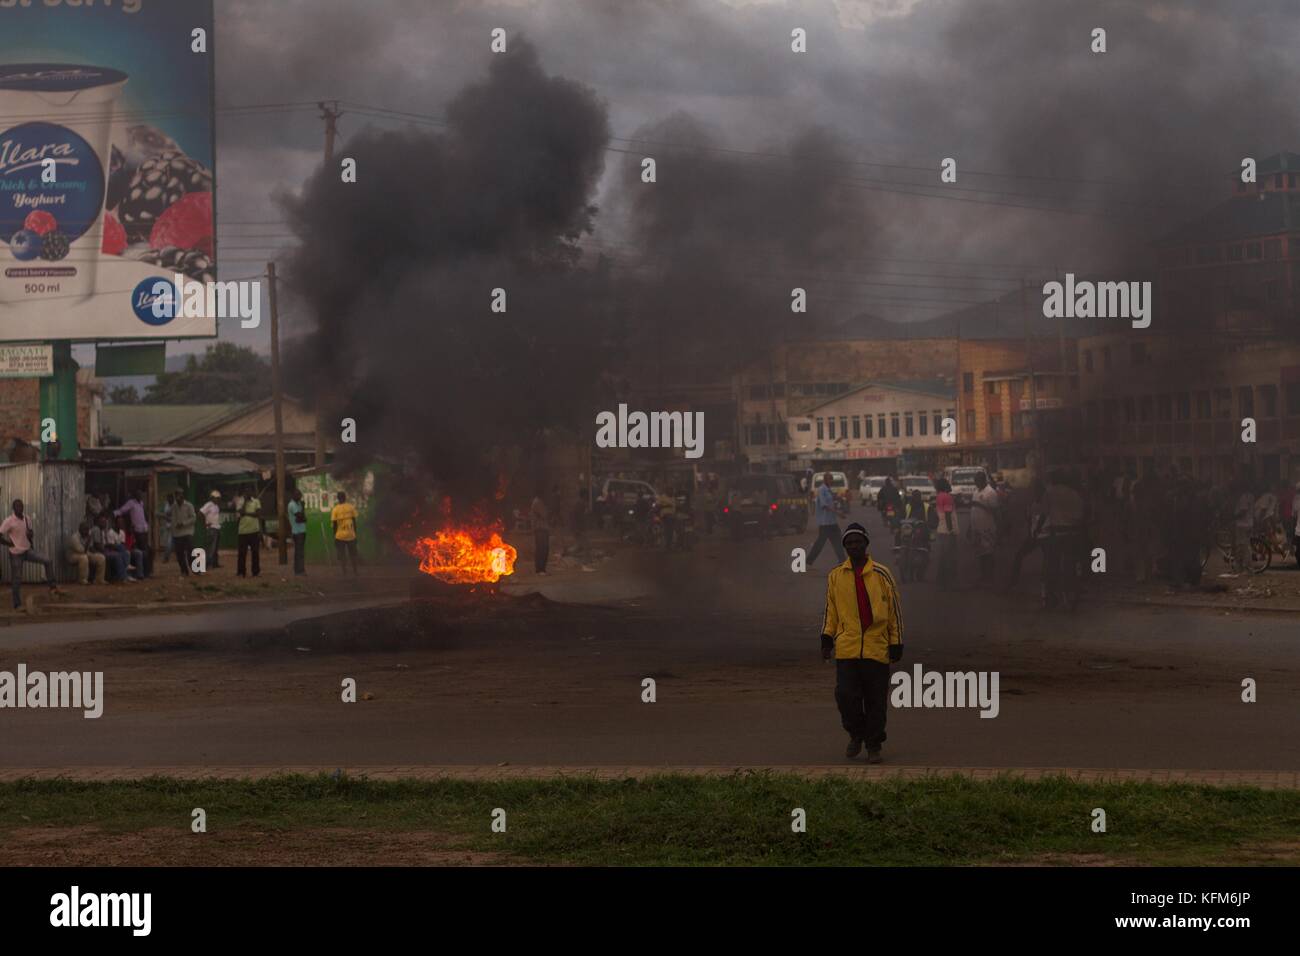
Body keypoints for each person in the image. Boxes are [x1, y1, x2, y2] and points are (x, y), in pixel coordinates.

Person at [818, 522, 904, 763]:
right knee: (845, 696)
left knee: (875, 700)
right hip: (847, 648)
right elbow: (830, 610)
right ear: (845, 546)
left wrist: (896, 642)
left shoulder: (882, 573)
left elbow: (894, 611)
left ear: (866, 544)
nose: (854, 546)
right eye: (849, 543)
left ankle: (874, 744)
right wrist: (826, 638)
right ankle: (856, 734)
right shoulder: (835, 575)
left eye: (858, 541)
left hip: (877, 648)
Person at [1039, 470, 1086, 610]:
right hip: (1073, 533)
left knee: (1052, 565)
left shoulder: (1049, 493)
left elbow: (1044, 514)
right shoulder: (1074, 493)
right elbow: (1081, 514)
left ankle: (1052, 598)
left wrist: (1037, 530)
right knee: (1071, 564)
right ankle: (1071, 595)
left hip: (1057, 533)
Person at [0, 499, 58, 609]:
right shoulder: (9, 521)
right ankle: (17, 604)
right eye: (17, 506)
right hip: (16, 553)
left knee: (47, 560)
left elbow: (30, 533)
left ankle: (53, 587)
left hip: (27, 550)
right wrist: (9, 543)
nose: (20, 508)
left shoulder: (27, 519)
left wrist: (31, 536)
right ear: (13, 508)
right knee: (17, 578)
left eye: (21, 506)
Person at [807, 472, 846, 567]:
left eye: (832, 479)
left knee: (837, 540)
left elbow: (834, 497)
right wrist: (838, 513)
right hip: (825, 522)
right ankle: (808, 561)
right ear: (825, 480)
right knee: (820, 543)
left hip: (832, 521)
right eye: (830, 479)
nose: (831, 481)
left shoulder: (828, 490)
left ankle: (842, 559)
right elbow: (824, 506)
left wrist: (840, 497)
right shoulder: (821, 490)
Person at [968, 471, 1000, 587]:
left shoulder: (991, 493)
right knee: (981, 553)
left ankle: (990, 577)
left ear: (983, 480)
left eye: (977, 481)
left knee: (988, 553)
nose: (976, 483)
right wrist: (970, 526)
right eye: (975, 481)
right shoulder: (976, 491)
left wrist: (981, 505)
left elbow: (996, 511)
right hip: (977, 529)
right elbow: (973, 509)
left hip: (987, 528)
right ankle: (983, 576)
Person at [113, 490, 151, 577]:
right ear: (135, 496)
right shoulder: (131, 503)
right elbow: (122, 510)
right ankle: (143, 573)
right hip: (137, 530)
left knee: (146, 550)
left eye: (141, 494)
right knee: (143, 551)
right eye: (138, 494)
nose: (140, 496)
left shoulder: (141, 503)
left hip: (144, 529)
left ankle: (146, 572)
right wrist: (114, 513)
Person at [933, 477, 959, 590]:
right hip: (947, 530)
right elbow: (948, 515)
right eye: (948, 483)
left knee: (943, 556)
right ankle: (948, 580)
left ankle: (940, 579)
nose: (950, 485)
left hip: (940, 529)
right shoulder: (947, 497)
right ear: (945, 485)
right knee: (949, 556)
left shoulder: (939, 496)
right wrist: (951, 530)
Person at [90, 515, 129, 583]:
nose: (104, 524)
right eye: (102, 522)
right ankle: (122, 577)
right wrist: (107, 550)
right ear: (98, 522)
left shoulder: (102, 530)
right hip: (97, 551)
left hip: (103, 550)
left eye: (105, 522)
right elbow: (97, 546)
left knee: (119, 553)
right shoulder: (96, 529)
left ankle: (122, 575)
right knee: (117, 555)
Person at [237, 486, 264, 578]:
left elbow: (258, 514)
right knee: (242, 553)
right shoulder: (240, 501)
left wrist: (247, 514)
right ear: (244, 493)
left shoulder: (256, 501)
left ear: (252, 493)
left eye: (249, 492)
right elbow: (241, 512)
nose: (248, 494)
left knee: (255, 552)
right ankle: (241, 571)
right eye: (246, 492)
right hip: (243, 531)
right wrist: (245, 502)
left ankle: (255, 571)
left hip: (254, 530)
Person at [168, 490, 197, 576]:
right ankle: (184, 571)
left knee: (190, 550)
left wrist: (183, 523)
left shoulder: (189, 505)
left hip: (187, 531)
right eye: (176, 496)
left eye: (179, 496)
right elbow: (170, 516)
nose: (178, 498)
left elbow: (193, 518)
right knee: (179, 553)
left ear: (182, 496)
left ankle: (195, 568)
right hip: (177, 533)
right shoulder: (174, 506)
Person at [330, 491, 359, 575]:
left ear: (338, 499)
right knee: (353, 554)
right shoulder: (351, 507)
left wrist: (335, 536)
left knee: (342, 555)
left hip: (340, 535)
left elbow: (334, 525)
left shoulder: (335, 509)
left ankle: (344, 571)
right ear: (345, 498)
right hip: (351, 534)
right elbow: (354, 522)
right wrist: (355, 534)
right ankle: (355, 571)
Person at [117, 516, 146, 581]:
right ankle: (128, 575)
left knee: (139, 553)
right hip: (124, 550)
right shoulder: (121, 532)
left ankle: (140, 574)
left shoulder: (131, 533)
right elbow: (121, 545)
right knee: (127, 553)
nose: (131, 529)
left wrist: (134, 547)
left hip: (130, 549)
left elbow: (133, 544)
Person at [200, 490, 223, 569]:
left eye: (218, 498)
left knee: (215, 548)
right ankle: (205, 564)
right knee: (210, 548)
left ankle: (214, 563)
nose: (218, 499)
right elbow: (201, 512)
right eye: (216, 498)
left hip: (216, 528)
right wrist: (205, 524)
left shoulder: (216, 506)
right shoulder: (209, 504)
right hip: (211, 528)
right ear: (212, 498)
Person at [288, 488, 308, 575]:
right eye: (298, 495)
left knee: (299, 551)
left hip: (302, 530)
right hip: (297, 531)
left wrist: (302, 518)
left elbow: (303, 518)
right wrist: (303, 509)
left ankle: (298, 570)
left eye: (300, 495)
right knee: (299, 552)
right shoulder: (292, 505)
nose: (300, 497)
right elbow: (299, 517)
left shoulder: (298, 503)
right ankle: (300, 570)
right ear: (293, 495)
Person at [530, 491, 550, 574]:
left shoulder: (537, 502)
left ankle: (541, 569)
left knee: (542, 549)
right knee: (542, 549)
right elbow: (545, 514)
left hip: (542, 528)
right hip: (540, 529)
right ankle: (540, 569)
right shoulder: (538, 502)